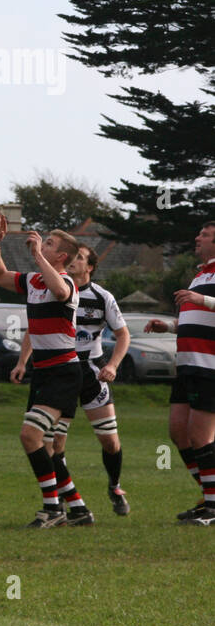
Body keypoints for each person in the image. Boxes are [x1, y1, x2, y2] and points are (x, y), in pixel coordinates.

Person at [11, 244, 131, 519]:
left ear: (90, 267)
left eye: (80, 258)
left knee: (110, 443)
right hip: (61, 372)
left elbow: (123, 334)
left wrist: (112, 365)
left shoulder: (102, 297)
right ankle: (69, 503)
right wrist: (22, 361)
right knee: (53, 445)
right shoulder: (50, 288)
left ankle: (114, 486)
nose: (73, 261)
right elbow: (35, 327)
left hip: (91, 372)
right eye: (72, 256)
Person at [0, 214, 81, 528]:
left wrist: (38, 255)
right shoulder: (32, 280)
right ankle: (70, 509)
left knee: (30, 435)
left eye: (49, 244)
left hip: (64, 372)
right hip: (43, 372)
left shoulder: (65, 281)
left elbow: (62, 293)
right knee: (48, 445)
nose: (42, 244)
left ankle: (53, 509)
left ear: (60, 257)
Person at [143, 221, 215, 524]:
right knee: (178, 432)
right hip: (187, 364)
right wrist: (169, 326)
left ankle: (212, 507)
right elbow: (196, 319)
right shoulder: (201, 274)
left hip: (209, 366)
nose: (197, 237)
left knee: (201, 435)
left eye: (206, 234)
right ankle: (208, 494)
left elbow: (205, 307)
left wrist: (203, 300)